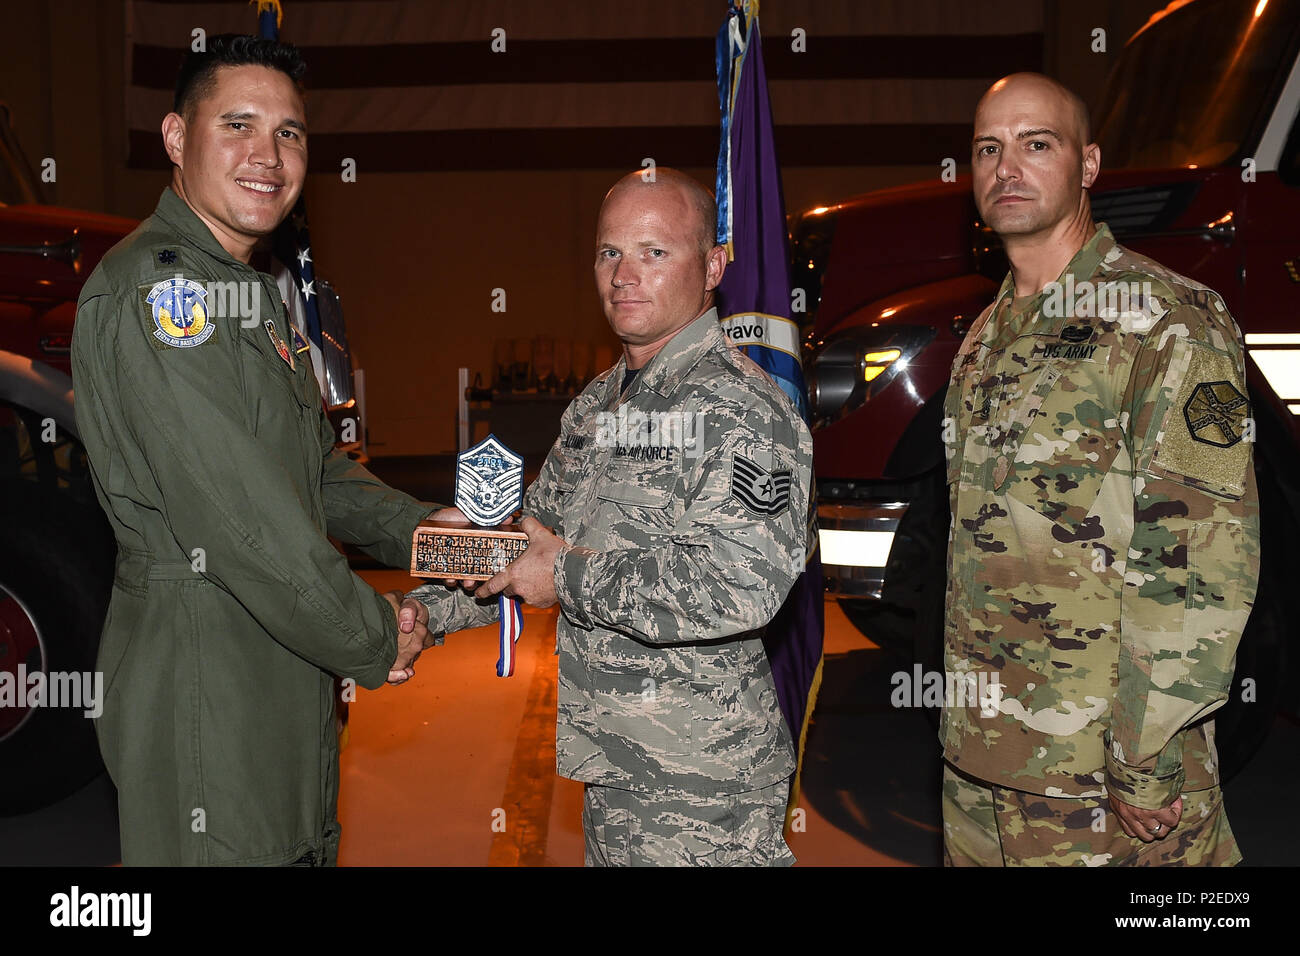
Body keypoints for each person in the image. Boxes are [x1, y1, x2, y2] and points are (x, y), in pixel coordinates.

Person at [71, 35, 441, 866]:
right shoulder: (165, 295)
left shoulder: (244, 291)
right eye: (237, 124)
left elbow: (310, 468)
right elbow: (239, 519)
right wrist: (373, 633)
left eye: (290, 133)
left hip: (276, 649)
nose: (267, 157)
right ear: (175, 138)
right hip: (208, 665)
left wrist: (429, 533)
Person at [410, 169, 813, 866]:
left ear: (713, 265)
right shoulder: (600, 405)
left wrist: (563, 575)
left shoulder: (744, 411)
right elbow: (526, 541)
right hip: (617, 774)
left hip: (703, 793)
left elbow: (738, 587)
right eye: (609, 253)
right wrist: (413, 615)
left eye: (654, 252)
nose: (624, 275)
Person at [940, 72, 1260, 866]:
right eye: (989, 148)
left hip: (1101, 775)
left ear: (1087, 165)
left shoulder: (1167, 321)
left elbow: (1198, 559)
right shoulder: (985, 334)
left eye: (1035, 144)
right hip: (981, 759)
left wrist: (1145, 757)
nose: (1006, 167)